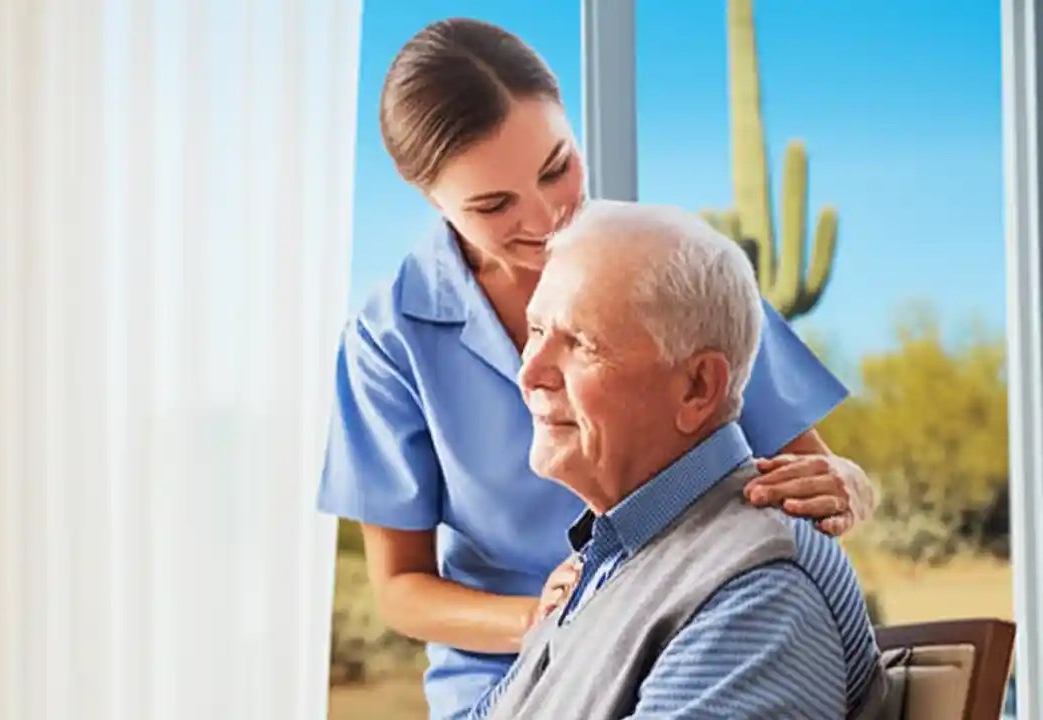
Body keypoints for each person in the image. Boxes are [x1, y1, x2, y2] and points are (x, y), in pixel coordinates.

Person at [318, 17, 877, 720]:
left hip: (680, 628)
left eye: (557, 167)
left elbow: (804, 477)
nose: (547, 216)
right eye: (494, 205)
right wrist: (549, 619)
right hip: (512, 681)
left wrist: (849, 485)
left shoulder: (670, 269)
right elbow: (401, 586)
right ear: (432, 199)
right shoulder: (389, 339)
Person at [470, 199, 884, 719]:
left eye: (581, 343)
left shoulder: (757, 584)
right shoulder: (606, 564)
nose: (530, 373)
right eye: (536, 332)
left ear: (698, 387)